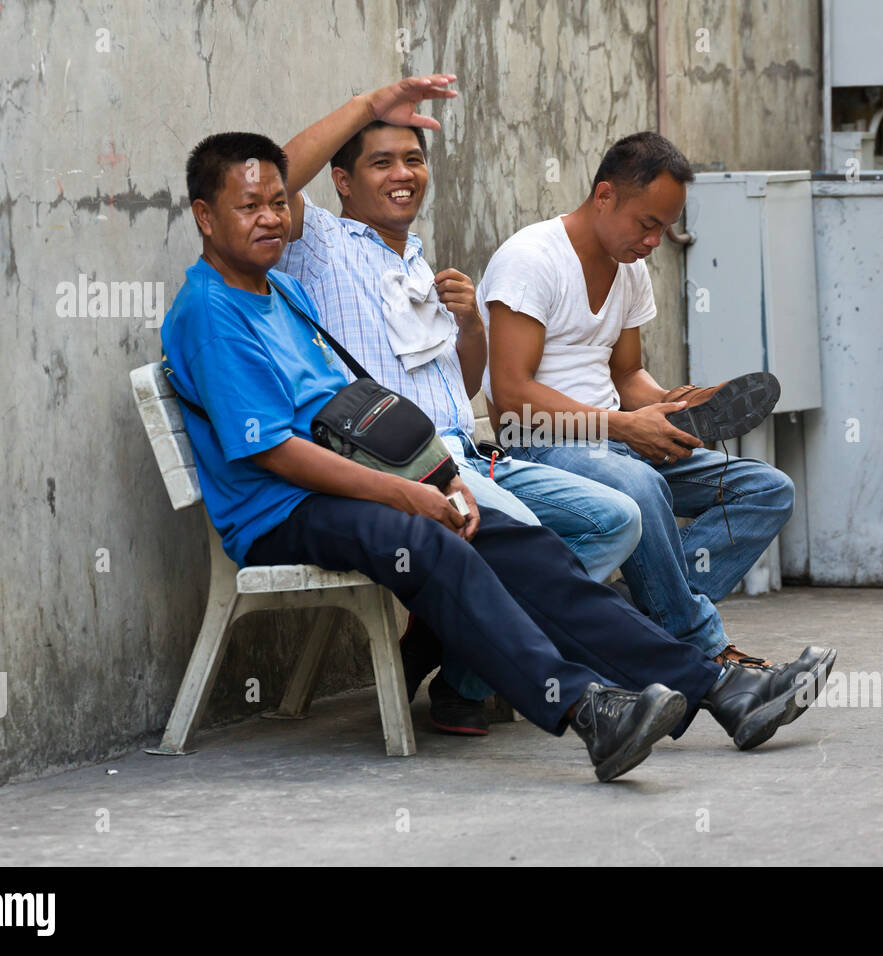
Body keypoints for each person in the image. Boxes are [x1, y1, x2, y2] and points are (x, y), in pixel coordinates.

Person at [158, 130, 835, 782]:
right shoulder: (211, 312)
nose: (272, 218)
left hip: (359, 479)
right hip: (285, 508)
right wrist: (408, 495)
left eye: (278, 203)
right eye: (250, 206)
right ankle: (587, 709)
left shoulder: (281, 292)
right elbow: (276, 454)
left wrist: (446, 475)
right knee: (434, 543)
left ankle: (718, 688)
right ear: (205, 218)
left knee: (526, 545)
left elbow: (361, 411)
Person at [276, 75, 643, 735]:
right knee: (534, 547)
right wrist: (367, 104)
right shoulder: (321, 247)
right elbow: (275, 181)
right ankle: (486, 665)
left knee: (616, 518)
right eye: (381, 162)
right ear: (342, 179)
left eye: (413, 160)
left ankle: (458, 666)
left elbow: (460, 387)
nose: (403, 174)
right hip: (407, 466)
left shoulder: (417, 259)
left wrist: (469, 326)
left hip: (471, 453)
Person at [479, 131, 819, 676]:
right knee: (640, 486)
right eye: (647, 224)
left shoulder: (630, 270)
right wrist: (623, 426)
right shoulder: (530, 259)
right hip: (539, 449)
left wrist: (666, 405)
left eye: (665, 227)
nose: (655, 241)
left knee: (765, 490)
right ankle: (700, 647)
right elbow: (513, 397)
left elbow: (626, 373)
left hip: (617, 438)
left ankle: (640, 626)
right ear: (605, 196)